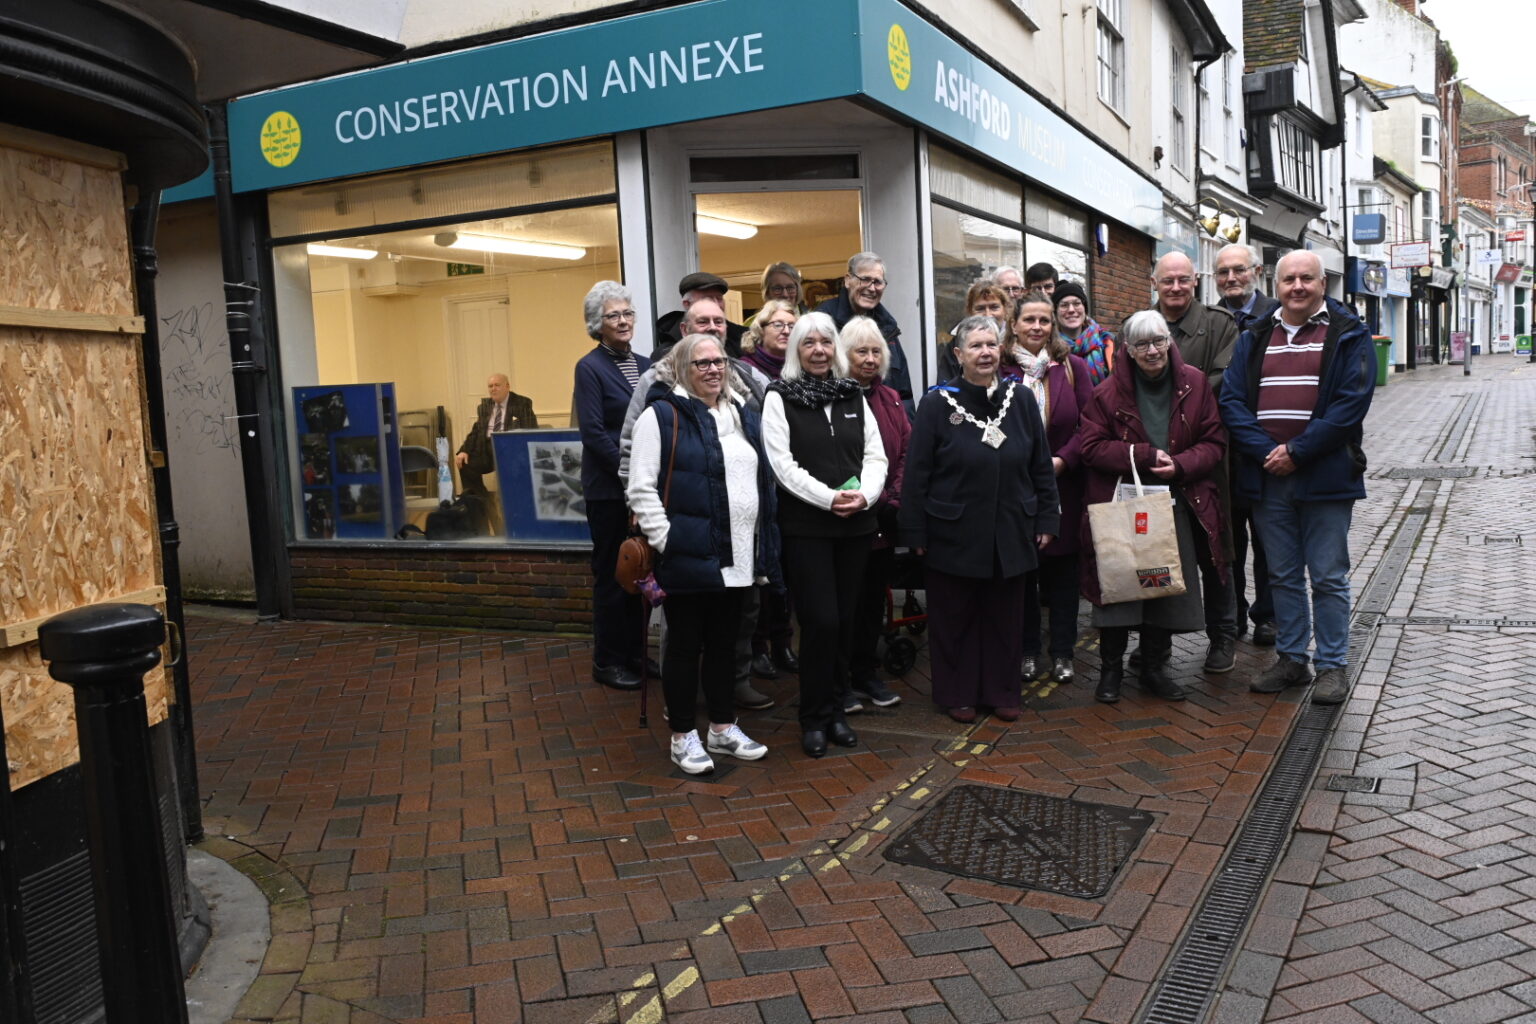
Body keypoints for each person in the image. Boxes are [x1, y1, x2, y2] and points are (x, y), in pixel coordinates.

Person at [1220, 250, 1376, 706]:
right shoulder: (1255, 336)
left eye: (1307, 278)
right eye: (1289, 279)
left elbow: (1351, 405)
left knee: (1328, 575)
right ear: (1276, 282)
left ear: (1322, 283)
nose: (1298, 287)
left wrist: (1298, 451)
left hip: (1325, 476)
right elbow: (1231, 402)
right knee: (1284, 575)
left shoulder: (1349, 333)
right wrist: (1270, 452)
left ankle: (1332, 666)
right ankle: (1292, 659)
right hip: (1269, 477)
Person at [627, 334, 780, 774]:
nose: (713, 369)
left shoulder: (740, 413)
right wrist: (669, 540)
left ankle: (722, 727)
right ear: (681, 369)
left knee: (724, 647)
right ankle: (681, 736)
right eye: (701, 363)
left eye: (719, 361)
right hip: (690, 555)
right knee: (683, 648)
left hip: (740, 556)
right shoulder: (661, 416)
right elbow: (641, 487)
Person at [900, 315, 1059, 723]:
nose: (985, 352)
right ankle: (958, 694)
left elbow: (1041, 465)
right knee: (955, 619)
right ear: (958, 355)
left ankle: (1002, 691)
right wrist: (914, 529)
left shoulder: (1020, 399)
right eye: (975, 346)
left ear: (1000, 350)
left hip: (1011, 528)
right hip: (952, 531)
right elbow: (917, 472)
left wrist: (1046, 518)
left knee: (1005, 618)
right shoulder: (937, 404)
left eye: (991, 344)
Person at [1079, 311, 1228, 704]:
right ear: (1127, 350)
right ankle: (1110, 671)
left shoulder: (1194, 384)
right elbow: (1090, 448)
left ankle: (1154, 668)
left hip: (1173, 500)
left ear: (1170, 343)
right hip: (1122, 504)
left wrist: (1180, 465)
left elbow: (1214, 442)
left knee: (1160, 588)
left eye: (1158, 341)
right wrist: (1141, 454)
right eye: (1141, 344)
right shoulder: (1106, 393)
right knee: (1118, 590)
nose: (1151, 350)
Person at [763, 312, 888, 757]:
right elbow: (782, 466)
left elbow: (875, 455)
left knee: (847, 622)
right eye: (808, 342)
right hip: (808, 529)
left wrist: (867, 495)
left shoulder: (854, 395)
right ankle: (812, 718)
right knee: (820, 623)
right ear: (796, 349)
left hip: (856, 527)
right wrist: (830, 498)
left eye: (825, 342)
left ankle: (837, 712)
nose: (818, 350)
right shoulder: (780, 397)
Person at [1143, 251, 1240, 673]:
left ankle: (1223, 637)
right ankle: (1156, 646)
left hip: (1205, 460)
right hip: (1155, 463)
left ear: (1196, 280)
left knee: (1214, 553)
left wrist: (1170, 400)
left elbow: (1223, 379)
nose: (1176, 287)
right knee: (1157, 555)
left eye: (1183, 279)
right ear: (1155, 282)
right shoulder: (1141, 325)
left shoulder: (1220, 324)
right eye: (1168, 281)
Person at [1010, 292, 1094, 685]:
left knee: (1063, 576)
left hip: (1063, 486)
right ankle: (1026, 650)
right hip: (1013, 489)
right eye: (1029, 320)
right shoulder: (1000, 369)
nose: (1037, 327)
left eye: (1044, 320)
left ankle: (1062, 652)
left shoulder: (1072, 367)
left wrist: (1063, 460)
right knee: (1022, 576)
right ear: (1014, 325)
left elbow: (1089, 425)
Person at [575, 281, 651, 690]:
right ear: (596, 324)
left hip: (643, 489)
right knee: (612, 574)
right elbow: (593, 432)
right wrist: (630, 475)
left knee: (641, 572)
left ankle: (637, 655)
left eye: (627, 314)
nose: (623, 322)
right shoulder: (589, 368)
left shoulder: (645, 363)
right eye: (613, 316)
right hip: (609, 491)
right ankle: (608, 661)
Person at [1213, 243, 1281, 646]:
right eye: (1223, 272)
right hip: (1223, 453)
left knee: (1269, 540)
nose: (1231, 278)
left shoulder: (1276, 315)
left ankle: (1268, 616)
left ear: (1256, 271)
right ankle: (1234, 612)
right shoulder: (1213, 319)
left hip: (1267, 449)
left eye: (1239, 270)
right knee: (1229, 541)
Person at [842, 316, 909, 711]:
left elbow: (905, 453)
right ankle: (842, 679)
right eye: (861, 351)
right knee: (845, 606)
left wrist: (892, 499)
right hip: (849, 518)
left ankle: (866, 673)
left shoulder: (892, 399)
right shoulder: (833, 397)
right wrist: (872, 498)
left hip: (883, 521)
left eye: (875, 352)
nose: (869, 359)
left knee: (871, 604)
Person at [739, 299, 801, 682]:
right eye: (776, 323)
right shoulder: (745, 373)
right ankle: (759, 647)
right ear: (758, 331)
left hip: (795, 484)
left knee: (788, 572)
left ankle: (783, 642)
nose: (785, 329)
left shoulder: (801, 372)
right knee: (762, 569)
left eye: (792, 324)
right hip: (759, 482)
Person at [816, 252, 913, 405]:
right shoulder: (824, 321)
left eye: (878, 282)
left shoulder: (887, 326)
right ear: (848, 280)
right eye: (865, 279)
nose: (872, 288)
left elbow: (904, 393)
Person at [456, 373, 538, 496]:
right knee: (464, 462)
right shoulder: (484, 406)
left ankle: (511, 501)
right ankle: (480, 503)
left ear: (507, 386)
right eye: (490, 386)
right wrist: (464, 450)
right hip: (486, 449)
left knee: (515, 471)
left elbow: (531, 429)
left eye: (497, 385)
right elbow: (476, 431)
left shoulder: (522, 403)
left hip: (510, 449)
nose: (493, 389)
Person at [654, 271, 745, 358]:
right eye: (708, 299)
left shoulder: (744, 340)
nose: (715, 304)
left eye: (719, 298)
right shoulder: (666, 354)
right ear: (687, 304)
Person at [937, 278, 1010, 382]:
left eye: (994, 307)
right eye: (980, 309)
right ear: (969, 312)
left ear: (1005, 309)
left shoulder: (1017, 340)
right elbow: (946, 386)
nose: (988, 315)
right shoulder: (957, 344)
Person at [1053, 282, 1115, 386]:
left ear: (1085, 309)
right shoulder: (1049, 348)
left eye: (1077, 303)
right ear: (1055, 312)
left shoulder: (1107, 342)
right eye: (1064, 305)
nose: (1071, 310)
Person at [740, 299, 797, 382]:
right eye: (778, 325)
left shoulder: (801, 367)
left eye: (792, 326)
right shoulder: (744, 369)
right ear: (761, 329)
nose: (786, 331)